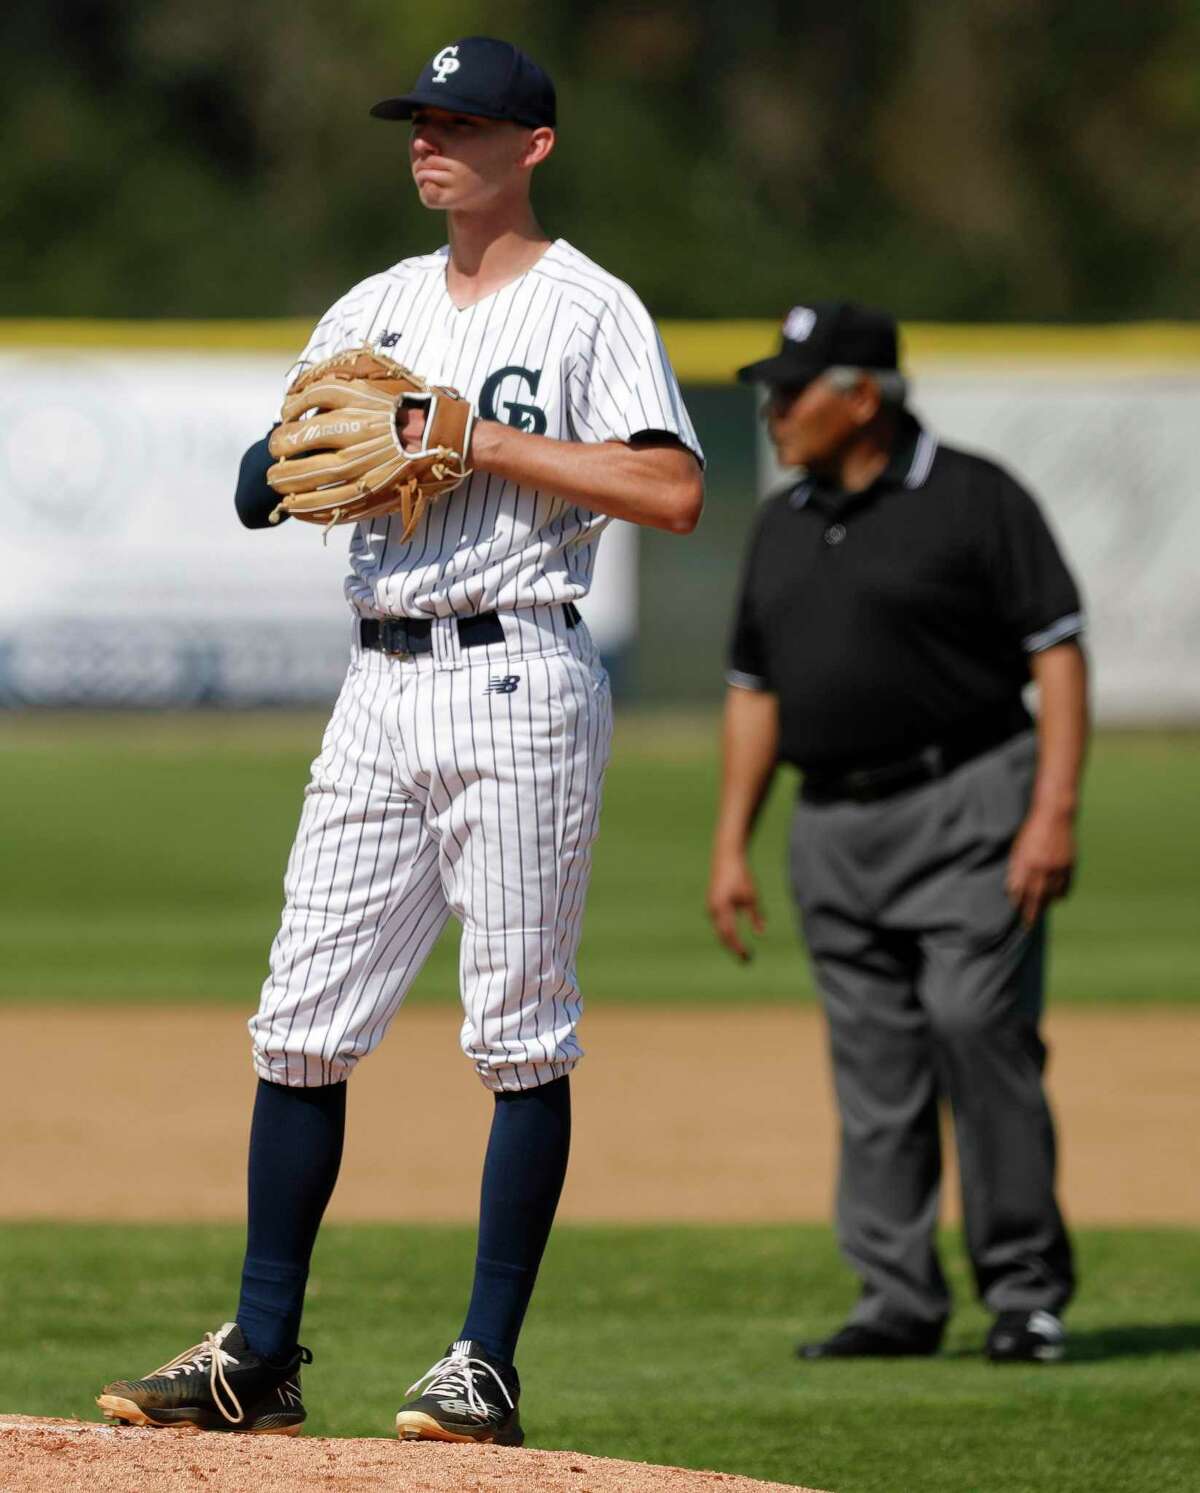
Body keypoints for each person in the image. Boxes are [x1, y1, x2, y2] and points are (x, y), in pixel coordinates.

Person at [98, 36, 703, 1444]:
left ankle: (481, 1362)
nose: (432, 141)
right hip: (377, 683)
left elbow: (670, 490)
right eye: (421, 120)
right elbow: (263, 482)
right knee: (300, 1024)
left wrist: (474, 440)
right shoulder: (373, 303)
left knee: (517, 1032)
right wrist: (306, 451)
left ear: (531, 145)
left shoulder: (590, 308)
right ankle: (260, 1349)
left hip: (520, 672)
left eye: (464, 121)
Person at [707, 302, 1085, 1364]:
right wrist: (733, 839)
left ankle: (1024, 1292)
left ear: (863, 395)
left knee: (978, 1026)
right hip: (831, 819)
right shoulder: (784, 521)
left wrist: (1052, 809)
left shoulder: (974, 497)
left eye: (794, 389)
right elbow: (754, 690)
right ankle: (896, 1296)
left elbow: (1057, 653)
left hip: (968, 801)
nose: (773, 409)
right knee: (873, 1067)